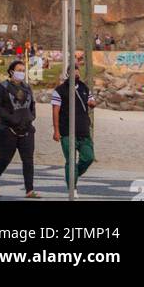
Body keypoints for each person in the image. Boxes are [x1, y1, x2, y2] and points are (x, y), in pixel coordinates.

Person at [0, 59, 39, 198]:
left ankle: (29, 190)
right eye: (19, 70)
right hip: (8, 130)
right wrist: (11, 118)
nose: (21, 73)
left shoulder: (27, 87)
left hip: (27, 129)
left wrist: (31, 116)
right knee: (5, 159)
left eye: (23, 70)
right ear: (11, 71)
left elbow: (32, 104)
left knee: (28, 160)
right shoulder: (2, 87)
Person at [52, 62, 96, 195]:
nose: (77, 74)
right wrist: (56, 131)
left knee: (89, 157)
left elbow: (91, 100)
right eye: (74, 71)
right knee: (70, 161)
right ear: (68, 74)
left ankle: (74, 174)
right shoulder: (59, 90)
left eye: (78, 71)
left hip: (83, 130)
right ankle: (73, 188)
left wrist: (92, 103)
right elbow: (55, 111)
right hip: (67, 132)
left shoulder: (84, 87)